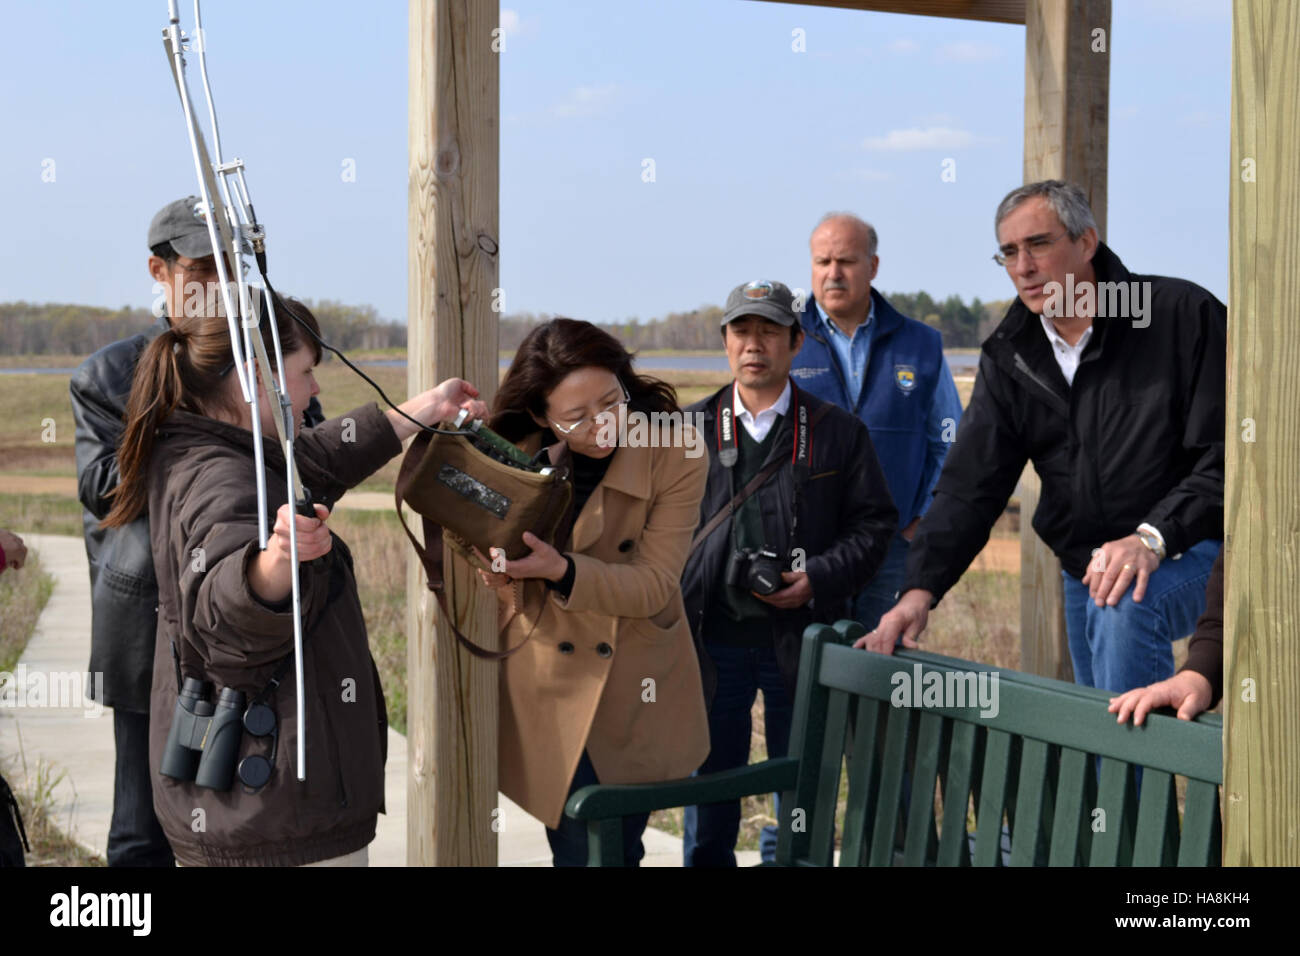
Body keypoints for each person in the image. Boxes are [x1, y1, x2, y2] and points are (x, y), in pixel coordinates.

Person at [99, 296, 486, 866]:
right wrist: (277, 560)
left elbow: (322, 456)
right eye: (305, 373)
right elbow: (226, 610)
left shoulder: (225, 448)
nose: (312, 393)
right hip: (278, 821)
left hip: (255, 810)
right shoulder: (221, 477)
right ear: (256, 377)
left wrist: (427, 408)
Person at [859, 181, 1225, 698]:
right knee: (1101, 725)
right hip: (1087, 568)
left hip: (1193, 547)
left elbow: (1229, 457)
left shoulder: (1179, 315)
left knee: (1125, 621)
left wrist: (1152, 537)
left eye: (1038, 244)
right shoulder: (1012, 353)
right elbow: (970, 485)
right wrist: (919, 590)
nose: (1023, 267)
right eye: (1008, 252)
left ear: (1087, 242)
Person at [70, 197, 324, 866]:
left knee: (252, 814)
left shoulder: (267, 361)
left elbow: (312, 465)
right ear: (159, 270)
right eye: (202, 268)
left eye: (234, 268)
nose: (221, 285)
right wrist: (192, 423)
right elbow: (102, 491)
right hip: (150, 629)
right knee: (142, 826)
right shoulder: (107, 374)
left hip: (251, 618)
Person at [473, 318, 710, 867]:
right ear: (540, 415)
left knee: (610, 845)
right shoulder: (516, 449)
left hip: (632, 679)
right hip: (550, 680)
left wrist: (562, 571)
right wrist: (497, 574)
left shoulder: (673, 447)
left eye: (612, 401)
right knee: (579, 845)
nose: (604, 425)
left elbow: (654, 584)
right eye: (577, 417)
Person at [681, 280, 897, 866]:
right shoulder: (685, 430)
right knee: (708, 794)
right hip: (709, 640)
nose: (755, 345)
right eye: (742, 331)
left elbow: (875, 527)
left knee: (804, 794)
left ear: (797, 342)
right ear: (725, 343)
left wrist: (819, 577)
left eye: (770, 331)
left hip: (800, 642)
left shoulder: (837, 432)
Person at [792, 213, 963, 631]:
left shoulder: (920, 344)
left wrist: (918, 525)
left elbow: (950, 442)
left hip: (892, 549)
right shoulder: (785, 340)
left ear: (873, 266)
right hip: (807, 551)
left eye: (846, 261)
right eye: (822, 262)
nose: (833, 274)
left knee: (879, 678)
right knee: (804, 676)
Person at [1109, 550, 1224, 725]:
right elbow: (1228, 613)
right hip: (1083, 564)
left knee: (1127, 606)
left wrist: (1153, 540)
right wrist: (1197, 676)